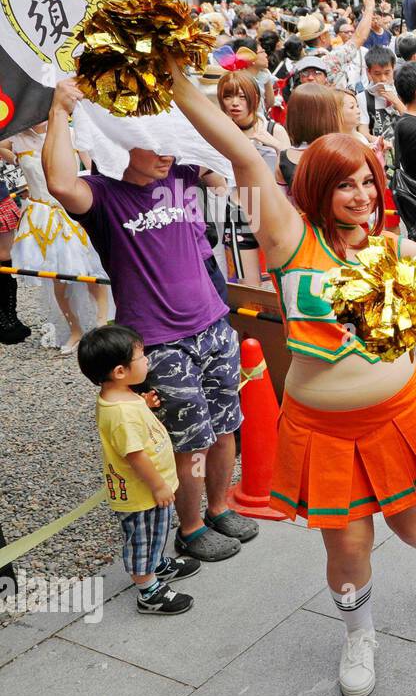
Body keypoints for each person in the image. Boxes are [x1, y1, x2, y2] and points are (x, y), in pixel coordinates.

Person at [164, 47, 416, 696]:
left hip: (395, 416)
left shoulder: (389, 247)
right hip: (322, 426)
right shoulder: (288, 239)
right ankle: (359, 634)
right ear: (318, 186)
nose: (358, 195)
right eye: (343, 183)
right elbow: (243, 158)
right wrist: (178, 84)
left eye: (366, 182)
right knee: (347, 548)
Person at [44, 80, 253, 563]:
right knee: (190, 436)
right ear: (118, 142)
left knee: (225, 426)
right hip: (159, 341)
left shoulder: (180, 175)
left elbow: (221, 141)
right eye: (152, 144)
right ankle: (192, 526)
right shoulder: (103, 196)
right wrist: (60, 109)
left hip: (213, 323)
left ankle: (219, 507)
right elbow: (58, 182)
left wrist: (174, 79)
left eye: (167, 143)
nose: (164, 154)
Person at [78, 323, 202, 615]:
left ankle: (157, 563)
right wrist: (159, 485)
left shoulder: (123, 396)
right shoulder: (121, 414)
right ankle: (148, 590)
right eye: (141, 356)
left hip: (149, 488)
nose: (147, 360)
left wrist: (143, 404)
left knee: (156, 533)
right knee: (142, 538)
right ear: (120, 371)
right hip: (143, 492)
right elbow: (135, 455)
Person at [4, 122, 110, 352]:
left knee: (93, 268)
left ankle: (103, 325)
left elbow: (92, 169)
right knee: (58, 277)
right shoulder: (15, 138)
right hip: (42, 217)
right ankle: (75, 330)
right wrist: (14, 159)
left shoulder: (70, 132)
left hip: (75, 211)